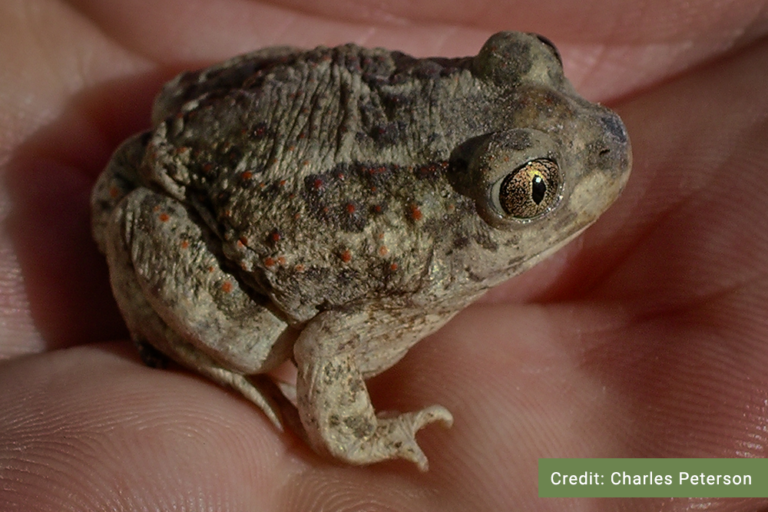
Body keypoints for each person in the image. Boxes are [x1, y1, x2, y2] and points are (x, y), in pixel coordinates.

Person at [1, 0, 766, 509]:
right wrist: (362, 435)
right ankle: (180, 332)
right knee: (255, 338)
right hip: (207, 217)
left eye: (535, 59)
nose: (599, 135)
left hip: (224, 107)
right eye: (534, 188)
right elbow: (329, 343)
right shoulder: (420, 261)